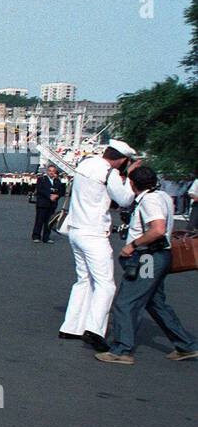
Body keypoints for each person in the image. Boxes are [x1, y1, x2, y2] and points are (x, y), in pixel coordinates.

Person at [96, 165, 198, 365]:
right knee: (155, 303)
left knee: (126, 302)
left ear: (133, 184)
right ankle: (186, 345)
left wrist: (132, 245)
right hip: (159, 255)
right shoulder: (162, 196)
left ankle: (122, 349)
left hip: (147, 257)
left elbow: (157, 229)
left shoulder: (149, 201)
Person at [58, 140, 138, 350]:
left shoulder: (85, 164)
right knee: (105, 284)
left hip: (75, 228)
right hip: (94, 232)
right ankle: (93, 329)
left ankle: (71, 326)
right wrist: (128, 177)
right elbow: (125, 199)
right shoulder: (109, 173)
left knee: (83, 279)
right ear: (122, 159)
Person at [32, 165, 63, 244]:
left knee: (49, 222)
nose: (51, 172)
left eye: (53, 171)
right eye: (50, 171)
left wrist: (57, 195)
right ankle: (36, 236)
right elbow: (40, 190)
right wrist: (49, 196)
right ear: (47, 171)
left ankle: (46, 237)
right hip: (42, 203)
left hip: (52, 204)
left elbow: (62, 190)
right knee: (39, 221)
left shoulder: (57, 181)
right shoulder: (41, 179)